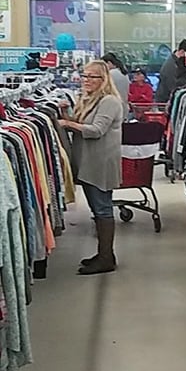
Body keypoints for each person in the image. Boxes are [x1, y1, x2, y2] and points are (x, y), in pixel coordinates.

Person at [59, 60, 123, 275]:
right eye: (84, 76)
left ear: (103, 79)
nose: (85, 80)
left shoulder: (110, 101)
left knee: (103, 208)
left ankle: (106, 258)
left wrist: (68, 124)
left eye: (91, 76)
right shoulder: (88, 100)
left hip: (100, 164)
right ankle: (105, 254)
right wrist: (66, 114)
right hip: (88, 163)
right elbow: (80, 128)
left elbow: (96, 130)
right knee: (97, 209)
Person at [156, 38, 186, 103]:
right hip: (166, 100)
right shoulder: (171, 66)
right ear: (182, 52)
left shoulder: (178, 62)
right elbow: (172, 86)